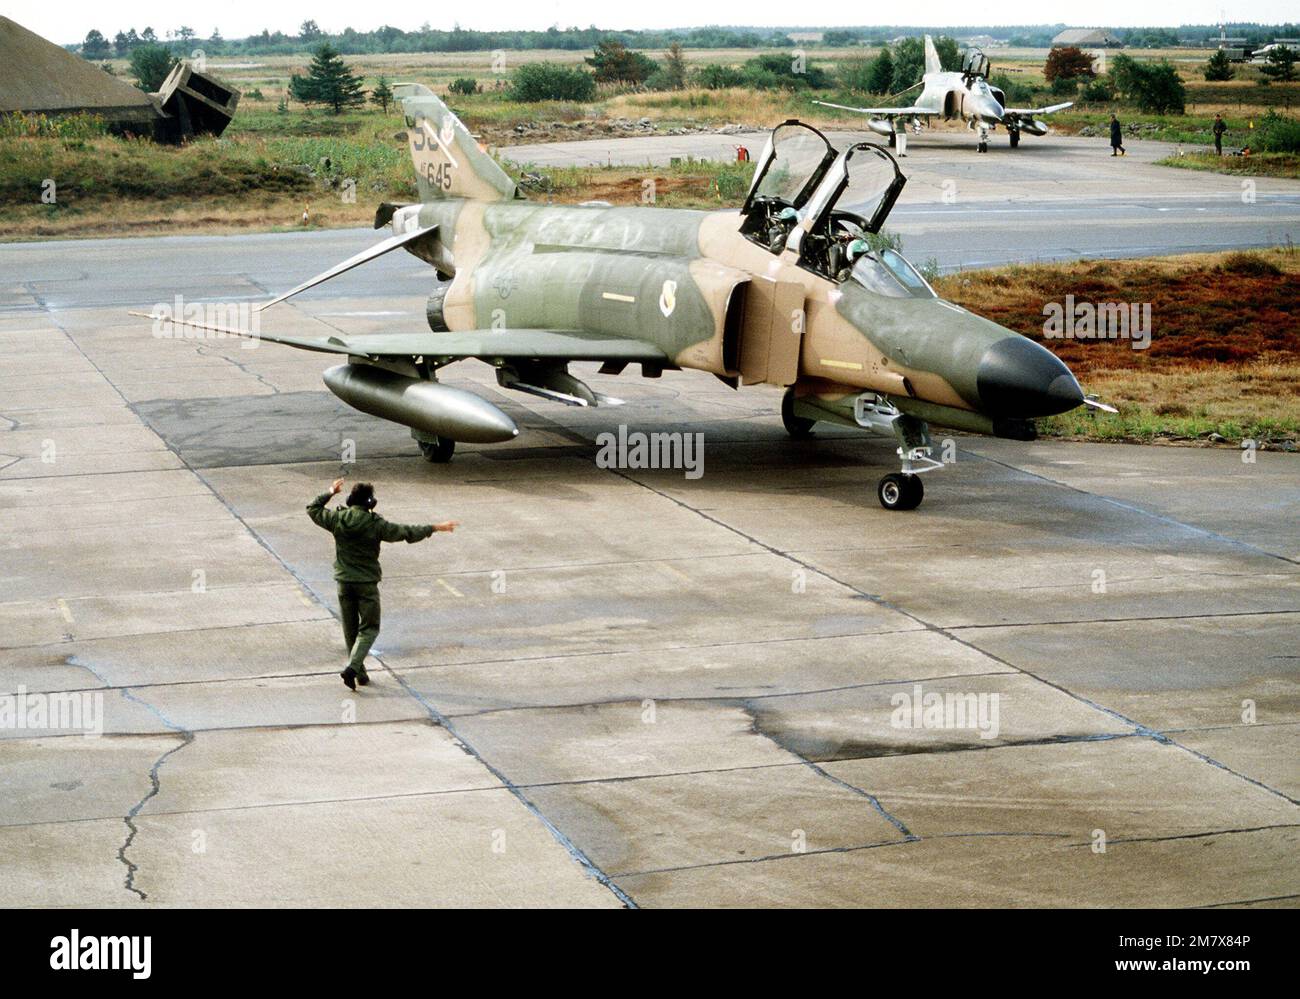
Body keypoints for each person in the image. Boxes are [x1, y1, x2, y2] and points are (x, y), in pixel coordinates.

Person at [307, 478, 458, 690]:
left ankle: (360, 674)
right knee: (369, 628)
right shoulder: (376, 524)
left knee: (350, 631)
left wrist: (331, 492)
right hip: (366, 584)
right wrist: (434, 527)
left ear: (350, 500)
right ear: (370, 503)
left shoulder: (337, 519)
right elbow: (405, 532)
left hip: (343, 582)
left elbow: (313, 509)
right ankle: (353, 668)